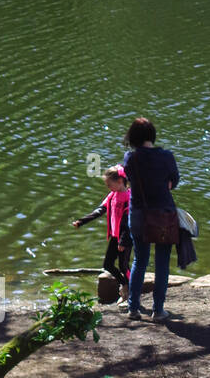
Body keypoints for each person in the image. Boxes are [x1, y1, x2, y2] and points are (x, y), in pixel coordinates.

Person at [123, 116, 181, 322]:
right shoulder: (166, 156)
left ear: (133, 138)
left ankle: (133, 308)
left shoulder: (130, 159)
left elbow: (130, 180)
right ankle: (158, 310)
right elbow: (173, 182)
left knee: (139, 260)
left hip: (138, 215)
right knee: (162, 263)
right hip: (163, 215)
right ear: (152, 135)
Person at [72, 167, 132, 308]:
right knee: (107, 265)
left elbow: (127, 222)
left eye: (109, 184)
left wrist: (123, 241)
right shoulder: (112, 195)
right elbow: (100, 210)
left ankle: (130, 293)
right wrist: (82, 221)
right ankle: (125, 286)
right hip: (115, 237)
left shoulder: (128, 198)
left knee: (124, 266)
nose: (108, 187)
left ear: (119, 181)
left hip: (126, 238)